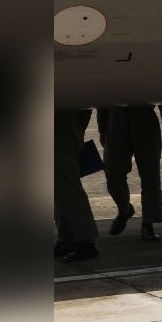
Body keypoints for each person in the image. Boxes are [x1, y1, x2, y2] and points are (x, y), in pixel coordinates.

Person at [98, 102, 162, 240]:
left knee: (150, 175)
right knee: (113, 173)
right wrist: (102, 128)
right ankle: (124, 209)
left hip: (144, 116)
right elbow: (103, 98)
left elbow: (161, 94)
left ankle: (148, 223)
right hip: (115, 120)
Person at [53, 108, 100, 262]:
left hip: (61, 116)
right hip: (63, 115)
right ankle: (68, 237)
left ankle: (84, 241)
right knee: (59, 183)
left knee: (64, 181)